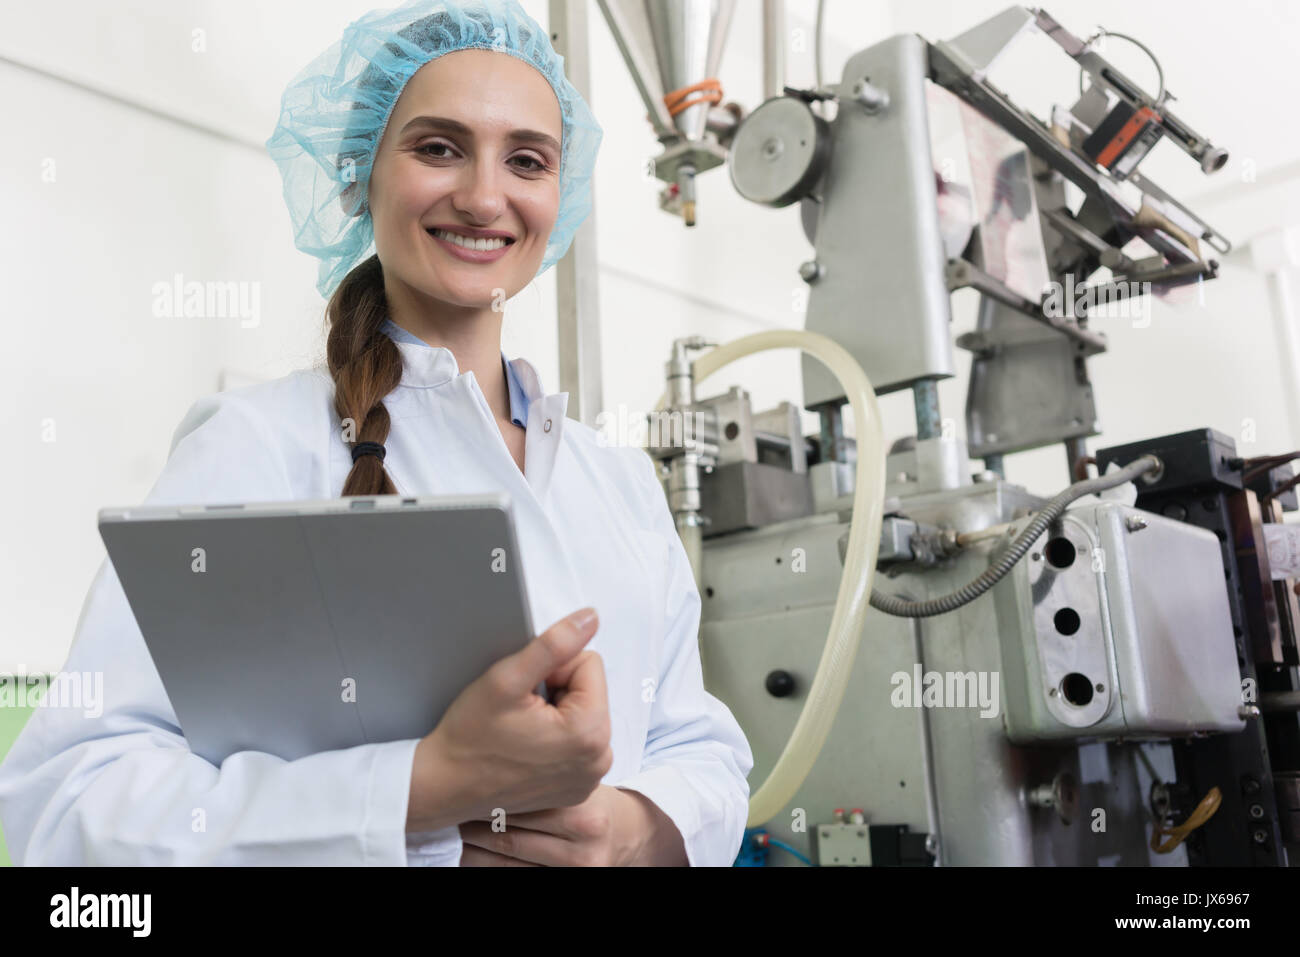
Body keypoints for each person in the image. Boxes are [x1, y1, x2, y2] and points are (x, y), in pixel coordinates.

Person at [0, 0, 752, 866]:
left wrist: (633, 829)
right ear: (360, 174)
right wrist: (421, 793)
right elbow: (68, 806)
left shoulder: (617, 482)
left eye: (527, 160)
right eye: (438, 147)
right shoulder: (258, 444)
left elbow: (705, 751)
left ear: (560, 194)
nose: (482, 195)